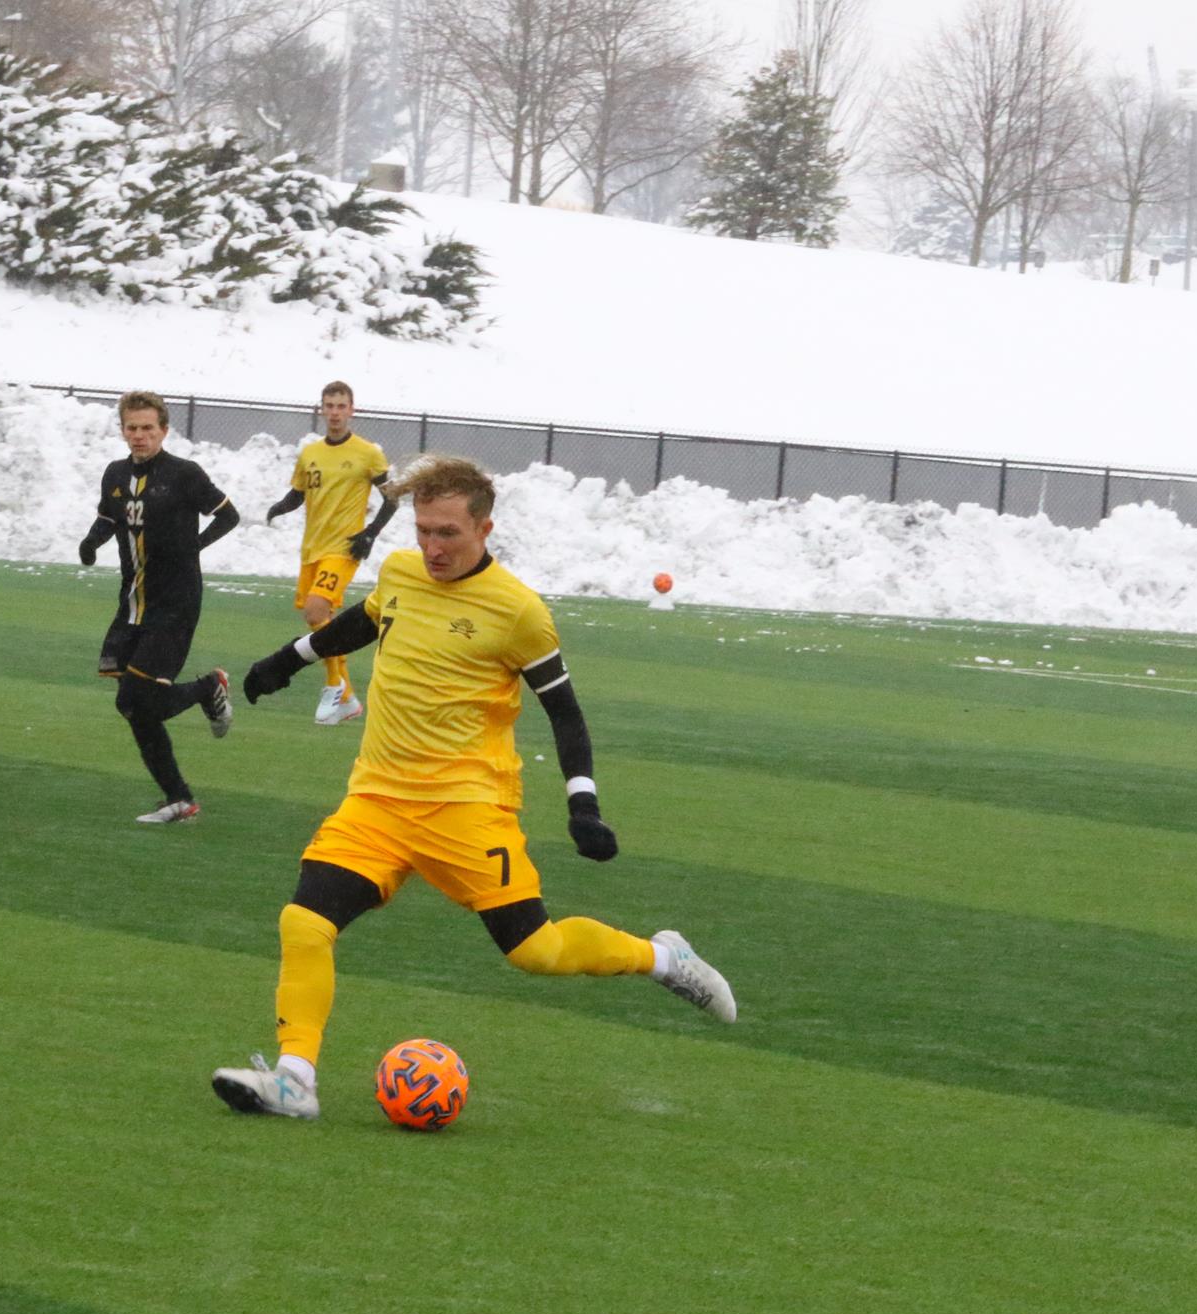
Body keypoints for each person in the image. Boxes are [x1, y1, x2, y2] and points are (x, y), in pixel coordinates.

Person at [212, 456, 736, 1120]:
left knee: (534, 949)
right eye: (424, 530)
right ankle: (294, 1079)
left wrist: (584, 803)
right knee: (305, 921)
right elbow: (366, 622)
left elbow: (565, 711)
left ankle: (663, 957)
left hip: (467, 807)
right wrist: (288, 659)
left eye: (449, 534)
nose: (432, 547)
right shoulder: (401, 572)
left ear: (485, 528)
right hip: (376, 800)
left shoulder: (518, 612)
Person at [79, 391, 238, 823]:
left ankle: (209, 688)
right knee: (132, 706)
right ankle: (179, 799)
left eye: (148, 428)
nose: (140, 436)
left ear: (164, 430)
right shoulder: (114, 474)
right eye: (132, 428)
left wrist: (195, 549)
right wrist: (91, 542)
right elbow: (110, 517)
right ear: (123, 430)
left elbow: (229, 516)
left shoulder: (184, 475)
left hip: (176, 602)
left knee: (137, 696)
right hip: (133, 602)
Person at [265, 380, 395, 726]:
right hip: (312, 549)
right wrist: (279, 506)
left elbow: (392, 497)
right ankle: (347, 696)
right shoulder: (310, 454)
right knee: (317, 620)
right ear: (321, 409)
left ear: (352, 410)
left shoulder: (368, 452)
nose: (335, 413)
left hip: (343, 548)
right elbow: (298, 494)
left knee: (316, 608)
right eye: (329, 406)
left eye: (341, 406)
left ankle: (336, 686)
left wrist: (370, 533)